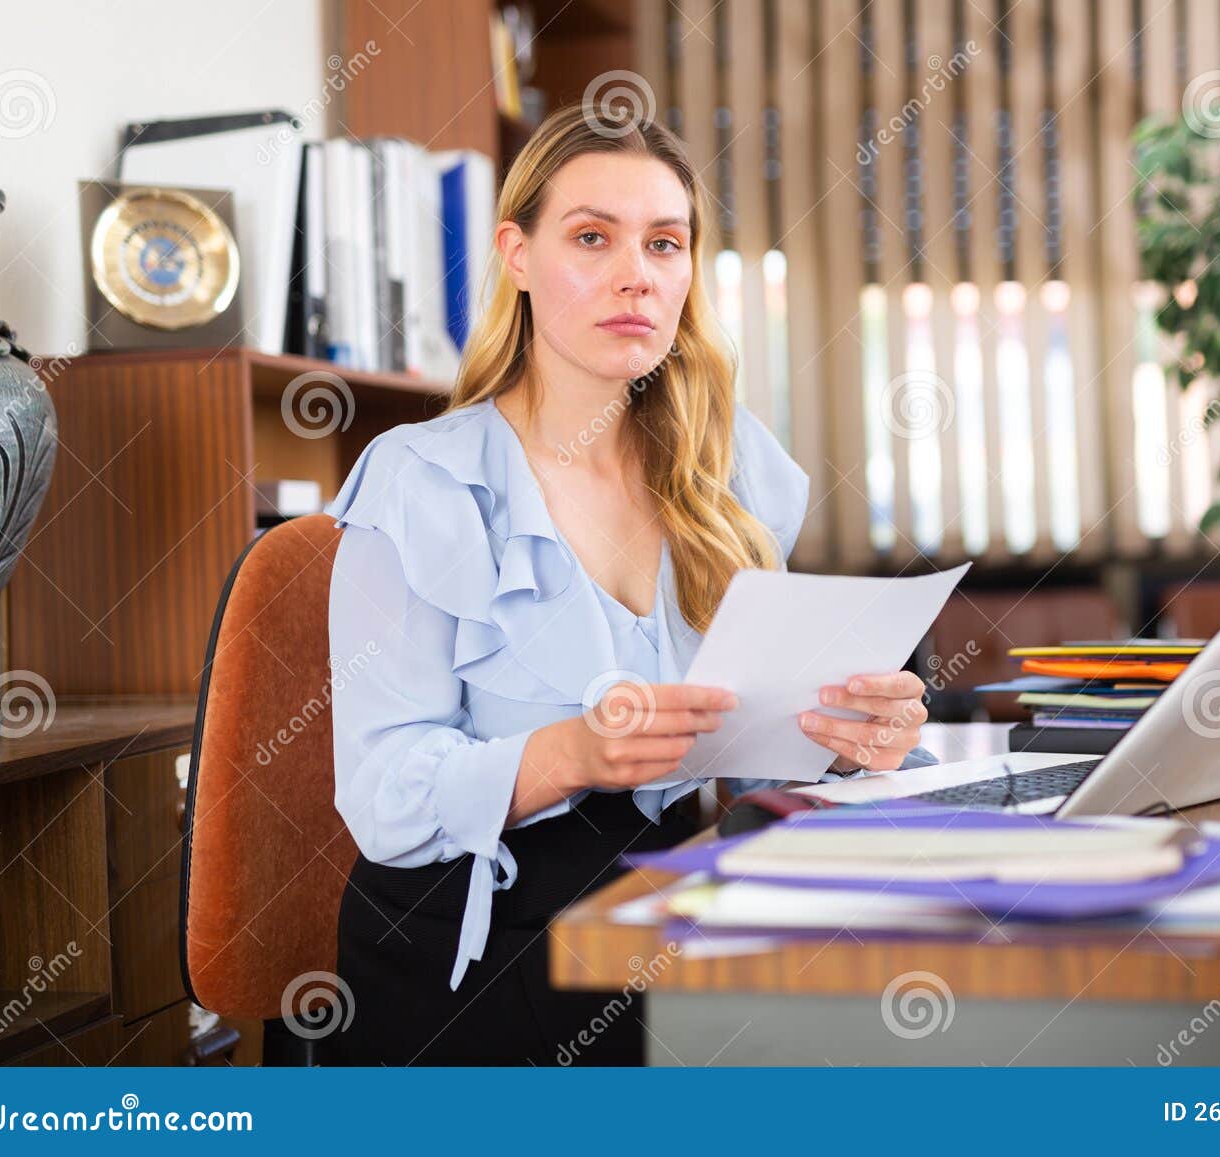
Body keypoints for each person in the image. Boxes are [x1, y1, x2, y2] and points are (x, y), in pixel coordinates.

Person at [318, 104, 936, 1065]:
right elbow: (382, 795)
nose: (636, 275)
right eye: (592, 237)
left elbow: (755, 757)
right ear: (517, 254)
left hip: (664, 908)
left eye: (664, 243)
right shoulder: (424, 481)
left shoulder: (727, 474)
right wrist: (568, 754)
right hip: (471, 948)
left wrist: (849, 741)